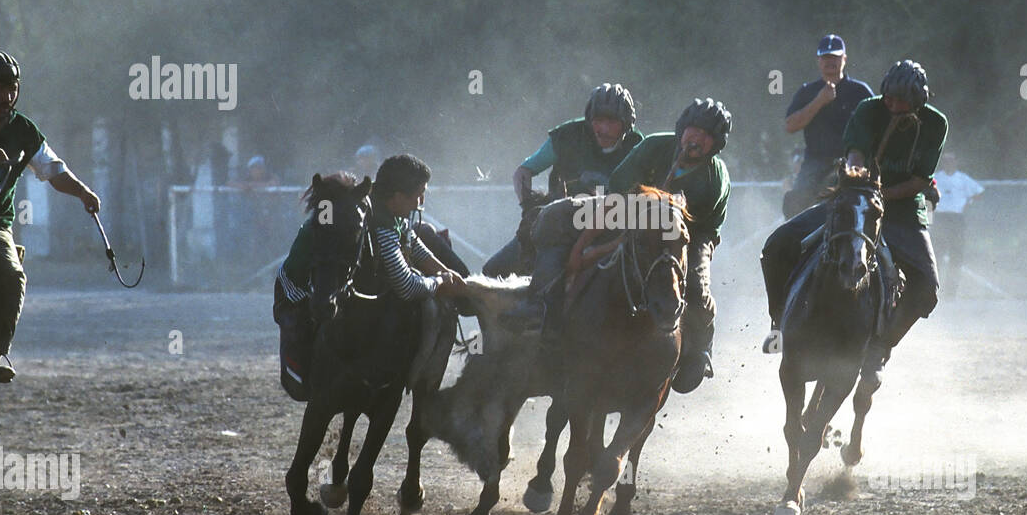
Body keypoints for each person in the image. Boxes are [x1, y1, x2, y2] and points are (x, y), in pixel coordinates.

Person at [512, 98, 732, 394]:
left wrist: (654, 220)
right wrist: (590, 245)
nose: (697, 139)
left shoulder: (714, 177)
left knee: (696, 283)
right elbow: (617, 189)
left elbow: (686, 226)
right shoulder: (655, 146)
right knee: (556, 216)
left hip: (688, 232)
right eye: (693, 130)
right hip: (628, 211)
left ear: (715, 145)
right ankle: (538, 304)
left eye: (706, 136)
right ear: (681, 130)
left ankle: (699, 351)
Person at [760, 60, 946, 392]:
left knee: (927, 287)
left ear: (919, 102)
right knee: (777, 245)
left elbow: (920, 179)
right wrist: (859, 182)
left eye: (900, 102)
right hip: (852, 198)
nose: (891, 105)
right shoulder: (866, 109)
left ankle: (880, 346)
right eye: (888, 98)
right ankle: (779, 324)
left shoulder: (935, 124)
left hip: (902, 210)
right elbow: (856, 153)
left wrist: (880, 195)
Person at [274, 155, 467, 400]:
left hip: (329, 278)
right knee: (308, 325)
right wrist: (439, 282)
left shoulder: (384, 206)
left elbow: (409, 238)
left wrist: (444, 271)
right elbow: (406, 285)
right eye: (418, 194)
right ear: (397, 196)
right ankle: (305, 377)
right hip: (297, 283)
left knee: (426, 232)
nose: (421, 202)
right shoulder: (374, 217)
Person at [0, 50, 100, 395]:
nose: (8, 96)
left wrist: (83, 192)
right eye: (0, 87)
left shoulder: (23, 130)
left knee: (12, 275)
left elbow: (53, 170)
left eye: (13, 87)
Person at [484, 83, 643, 277]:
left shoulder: (638, 147)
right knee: (492, 271)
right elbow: (523, 172)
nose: (604, 129)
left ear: (626, 124)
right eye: (599, 120)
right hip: (560, 226)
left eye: (612, 122)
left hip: (610, 231)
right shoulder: (568, 136)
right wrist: (528, 208)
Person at [782, 34, 873, 218]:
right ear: (818, 61)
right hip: (817, 161)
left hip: (853, 161)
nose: (830, 61)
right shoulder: (808, 91)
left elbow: (877, 125)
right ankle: (796, 244)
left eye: (835, 57)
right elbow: (790, 126)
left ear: (844, 59)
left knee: (872, 199)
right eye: (825, 57)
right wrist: (819, 101)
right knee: (796, 202)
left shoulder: (860, 91)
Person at [932, 152, 983, 298]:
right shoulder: (936, 178)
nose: (948, 164)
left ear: (956, 162)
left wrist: (967, 203)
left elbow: (978, 192)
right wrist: (928, 219)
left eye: (951, 161)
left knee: (956, 255)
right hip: (940, 218)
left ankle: (950, 292)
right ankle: (935, 289)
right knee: (937, 255)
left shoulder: (962, 179)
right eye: (946, 161)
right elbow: (927, 199)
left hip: (956, 219)